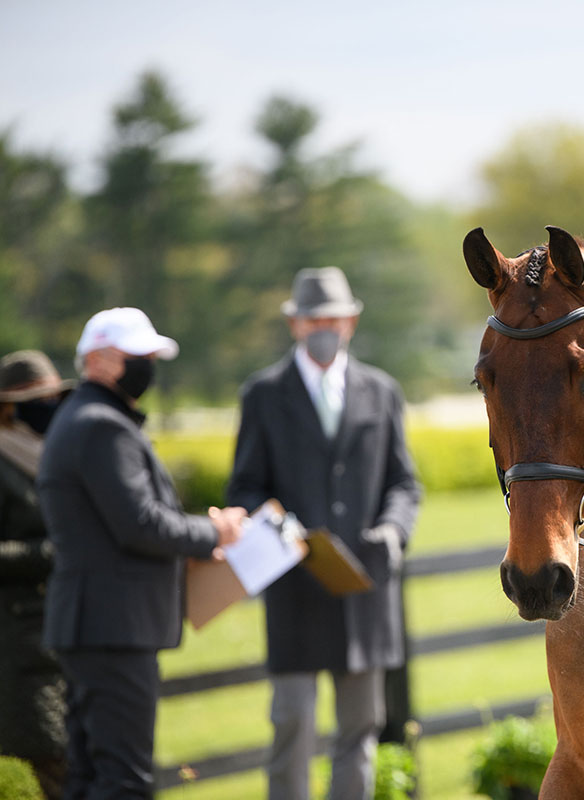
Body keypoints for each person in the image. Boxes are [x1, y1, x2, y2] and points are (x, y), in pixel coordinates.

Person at [227, 266, 422, 800]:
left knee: (362, 728)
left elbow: (404, 483)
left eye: (334, 318)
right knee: (292, 724)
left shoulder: (382, 391)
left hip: (363, 586)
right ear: (295, 325)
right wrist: (276, 524)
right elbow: (243, 487)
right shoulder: (263, 395)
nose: (324, 327)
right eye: (314, 318)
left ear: (351, 323)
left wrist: (392, 530)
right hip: (294, 584)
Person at [38, 308, 245, 799]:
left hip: (93, 625)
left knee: (89, 775)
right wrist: (213, 532)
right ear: (103, 360)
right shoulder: (101, 426)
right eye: (142, 356)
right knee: (125, 780)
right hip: (114, 628)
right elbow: (140, 523)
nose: (149, 365)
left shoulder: (81, 419)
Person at [0, 350, 74, 799]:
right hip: (21, 637)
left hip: (65, 627)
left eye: (50, 397)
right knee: (59, 766)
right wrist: (52, 552)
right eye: (34, 399)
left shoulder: (56, 454)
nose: (47, 407)